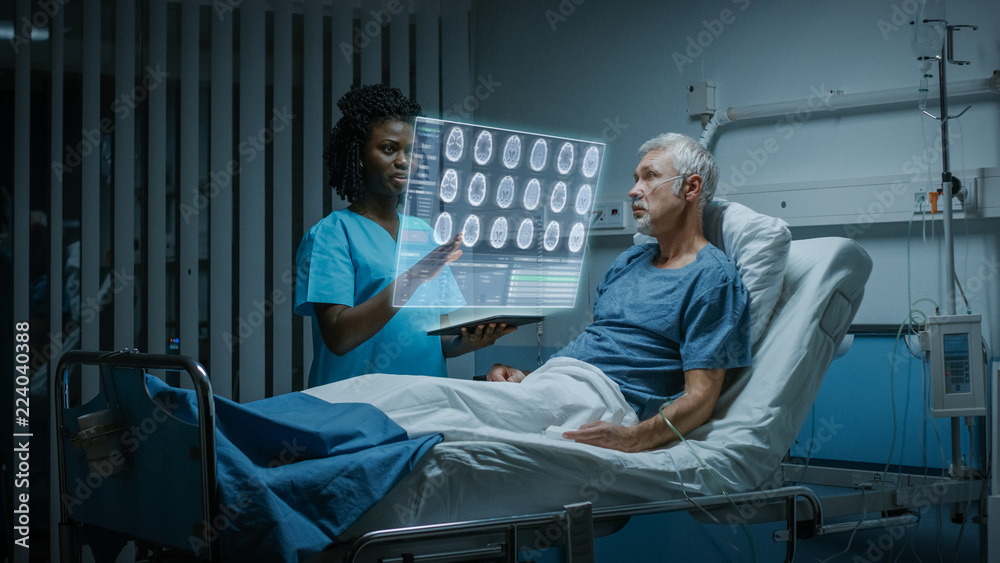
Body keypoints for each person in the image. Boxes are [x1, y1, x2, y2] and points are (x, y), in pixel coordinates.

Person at [487, 133, 751, 453]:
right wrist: (526, 377)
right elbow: (600, 352)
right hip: (558, 384)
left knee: (440, 407)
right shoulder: (629, 261)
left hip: (605, 398)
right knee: (448, 402)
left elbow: (700, 398)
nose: (634, 190)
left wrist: (632, 437)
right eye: (635, 178)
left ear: (690, 188)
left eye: (649, 176)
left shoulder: (712, 279)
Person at [295, 84, 514, 388]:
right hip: (354, 405)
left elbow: (439, 341)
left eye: (411, 151)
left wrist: (472, 340)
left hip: (424, 402)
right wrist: (413, 277)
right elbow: (339, 337)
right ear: (360, 155)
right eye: (389, 149)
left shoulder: (425, 235)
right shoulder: (332, 234)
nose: (403, 161)